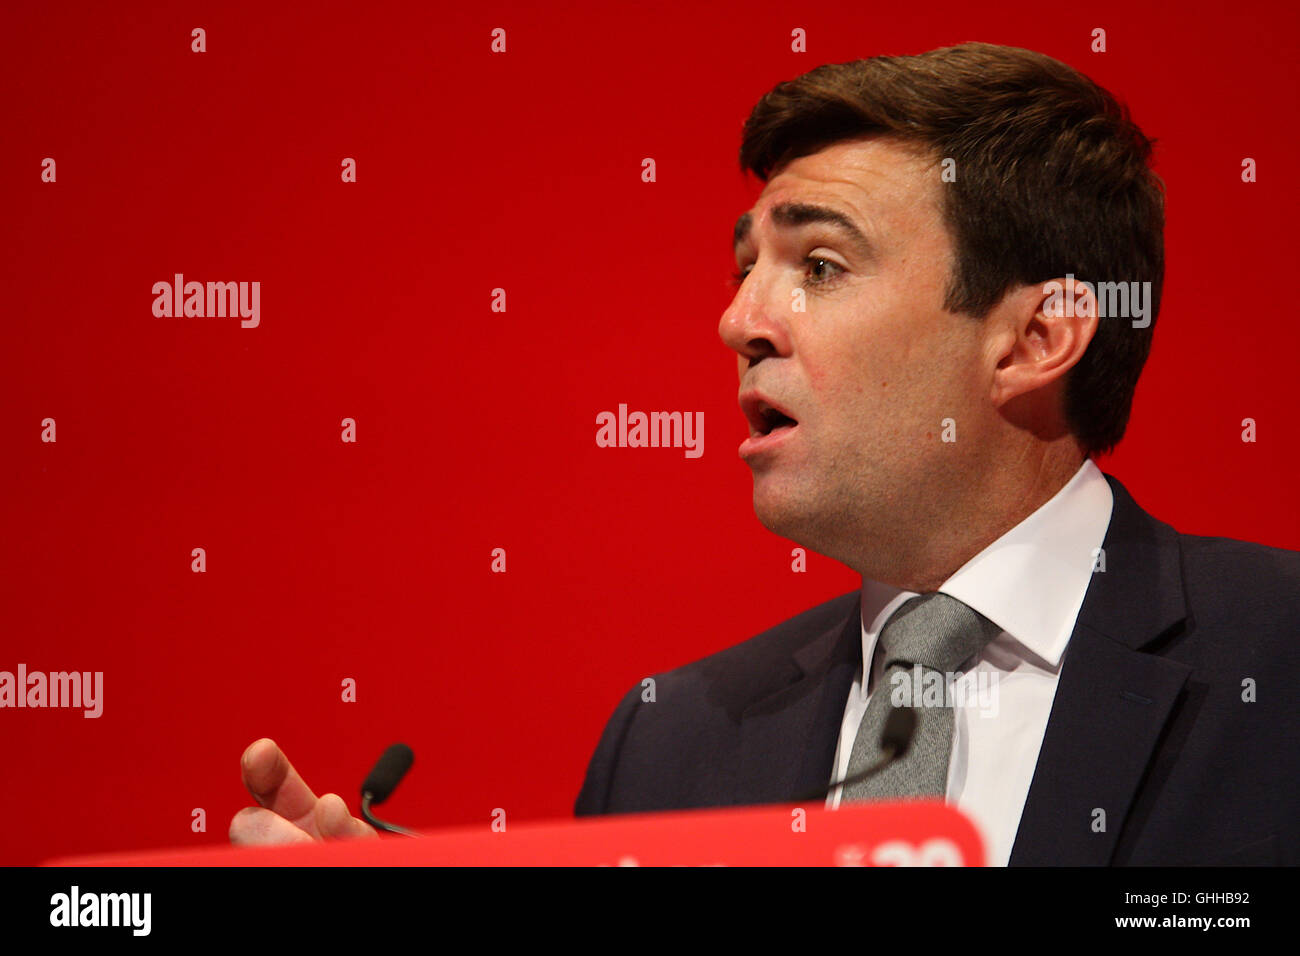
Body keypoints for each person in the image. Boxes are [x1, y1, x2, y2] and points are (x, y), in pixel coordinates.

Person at [230, 42, 1299, 865]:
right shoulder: (670, 745)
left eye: (819, 265)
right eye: (746, 266)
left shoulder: (1276, 655)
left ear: (1033, 338)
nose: (740, 318)